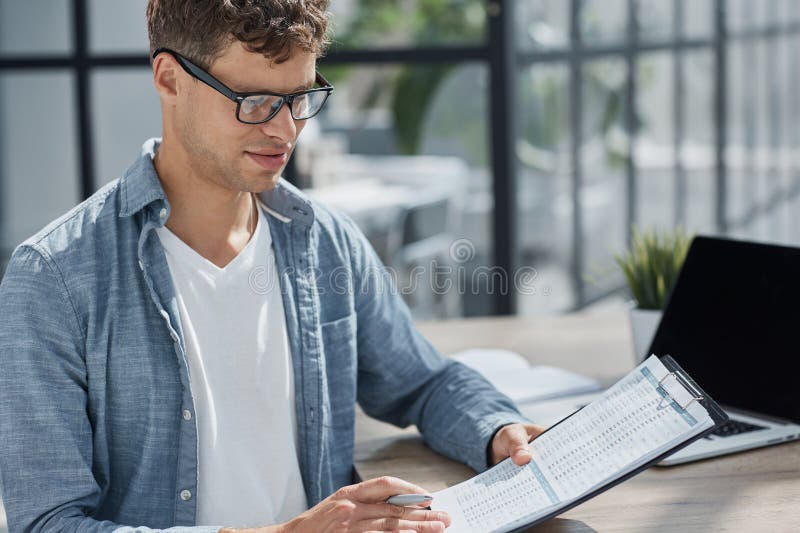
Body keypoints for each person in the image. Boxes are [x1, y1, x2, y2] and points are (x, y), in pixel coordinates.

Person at [0, 1, 543, 531]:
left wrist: (498, 430)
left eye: (301, 97)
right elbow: (47, 521)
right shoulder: (54, 280)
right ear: (168, 79)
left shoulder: (324, 240)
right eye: (256, 101)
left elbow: (423, 381)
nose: (286, 132)